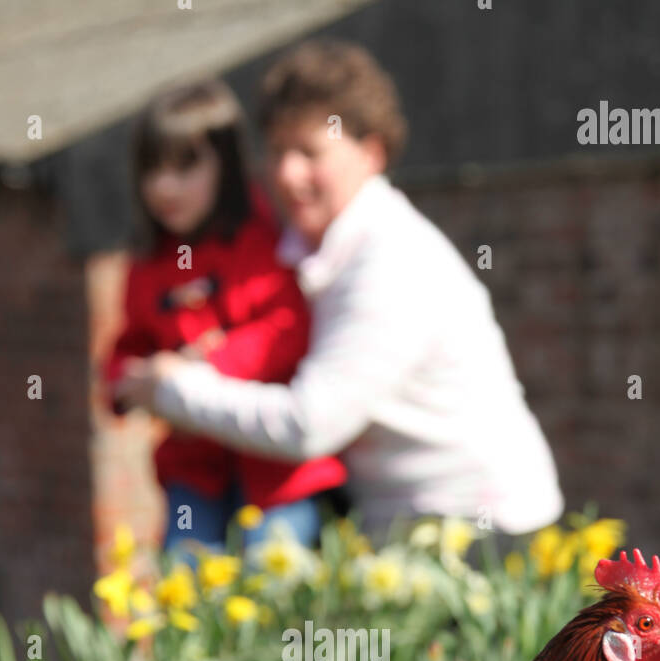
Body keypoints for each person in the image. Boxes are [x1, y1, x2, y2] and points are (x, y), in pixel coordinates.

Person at [115, 42, 564, 541]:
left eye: (310, 152)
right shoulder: (304, 249)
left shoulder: (391, 260)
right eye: (279, 151)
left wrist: (172, 388)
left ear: (371, 153)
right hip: (405, 528)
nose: (288, 174)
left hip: (480, 530)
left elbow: (309, 424)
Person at [105, 78, 346, 559]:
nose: (164, 186)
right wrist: (124, 381)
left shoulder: (264, 239)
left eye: (186, 166)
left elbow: (287, 329)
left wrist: (194, 375)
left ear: (228, 166)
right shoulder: (148, 263)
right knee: (186, 590)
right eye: (152, 169)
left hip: (279, 471)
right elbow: (128, 346)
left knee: (274, 588)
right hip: (195, 472)